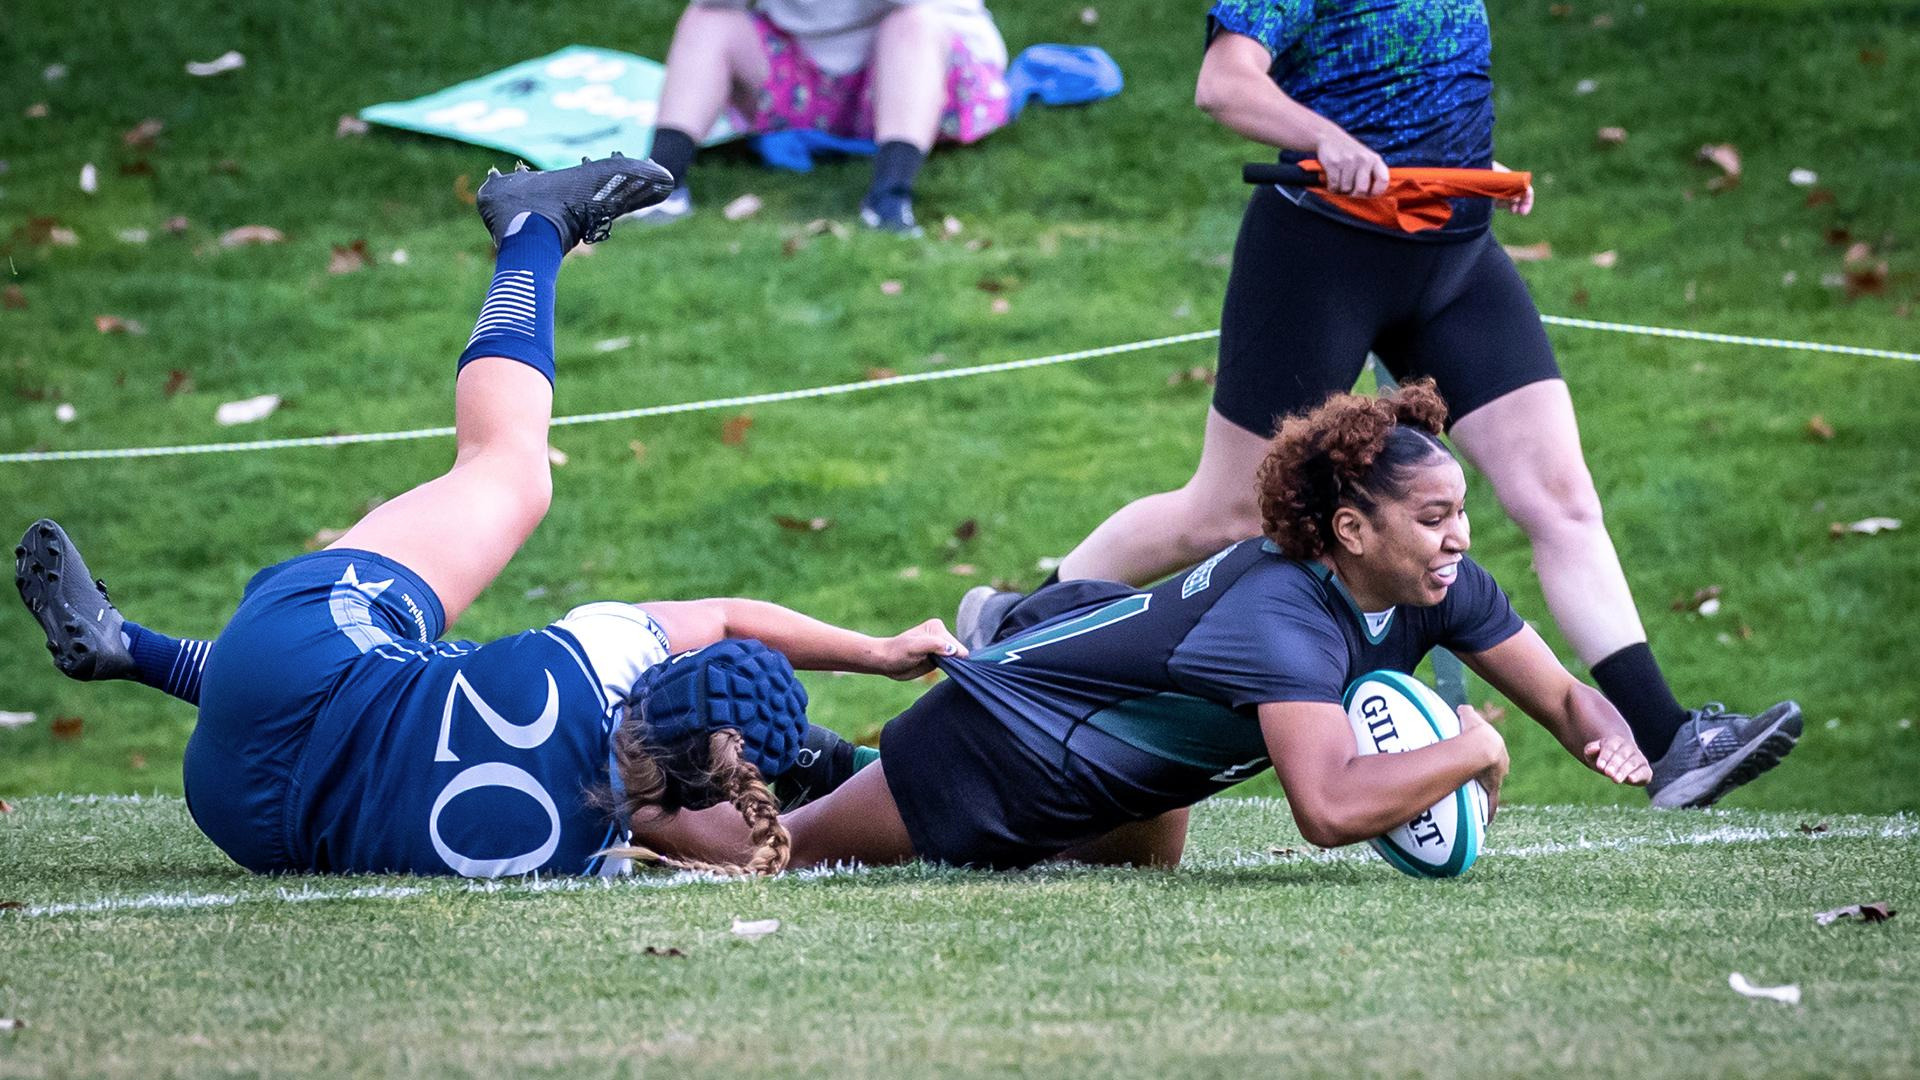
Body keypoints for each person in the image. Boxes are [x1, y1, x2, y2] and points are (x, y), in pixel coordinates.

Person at [12, 154, 960, 878]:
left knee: (510, 473)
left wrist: (878, 650)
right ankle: (135, 649)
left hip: (282, 660)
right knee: (405, 711)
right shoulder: (579, 855)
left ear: (664, 683)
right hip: (246, 819)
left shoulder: (597, 657)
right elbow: (733, 834)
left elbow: (719, 617)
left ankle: (534, 229)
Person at [958, 0, 1799, 810]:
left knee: (1562, 498)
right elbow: (1225, 83)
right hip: (1323, 250)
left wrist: (1480, 168)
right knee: (1225, 515)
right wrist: (1325, 136)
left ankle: (1670, 742)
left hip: (1457, 253)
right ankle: (1020, 622)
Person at [625, 382, 1659, 874]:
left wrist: (1618, 739)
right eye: (1433, 519)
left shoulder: (1442, 583)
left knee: (1143, 878)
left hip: (1129, 770)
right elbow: (1330, 806)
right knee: (775, 857)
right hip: (1004, 745)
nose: (1457, 539)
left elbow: (1566, 697)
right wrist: (1468, 743)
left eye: (1460, 514)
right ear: (1351, 528)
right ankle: (613, 808)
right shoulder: (1282, 611)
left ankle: (829, 762)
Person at [636, 0, 1011, 233]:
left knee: (913, 23)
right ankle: (659, 187)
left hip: (930, 75)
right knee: (708, 19)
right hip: (812, 81)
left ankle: (889, 200)